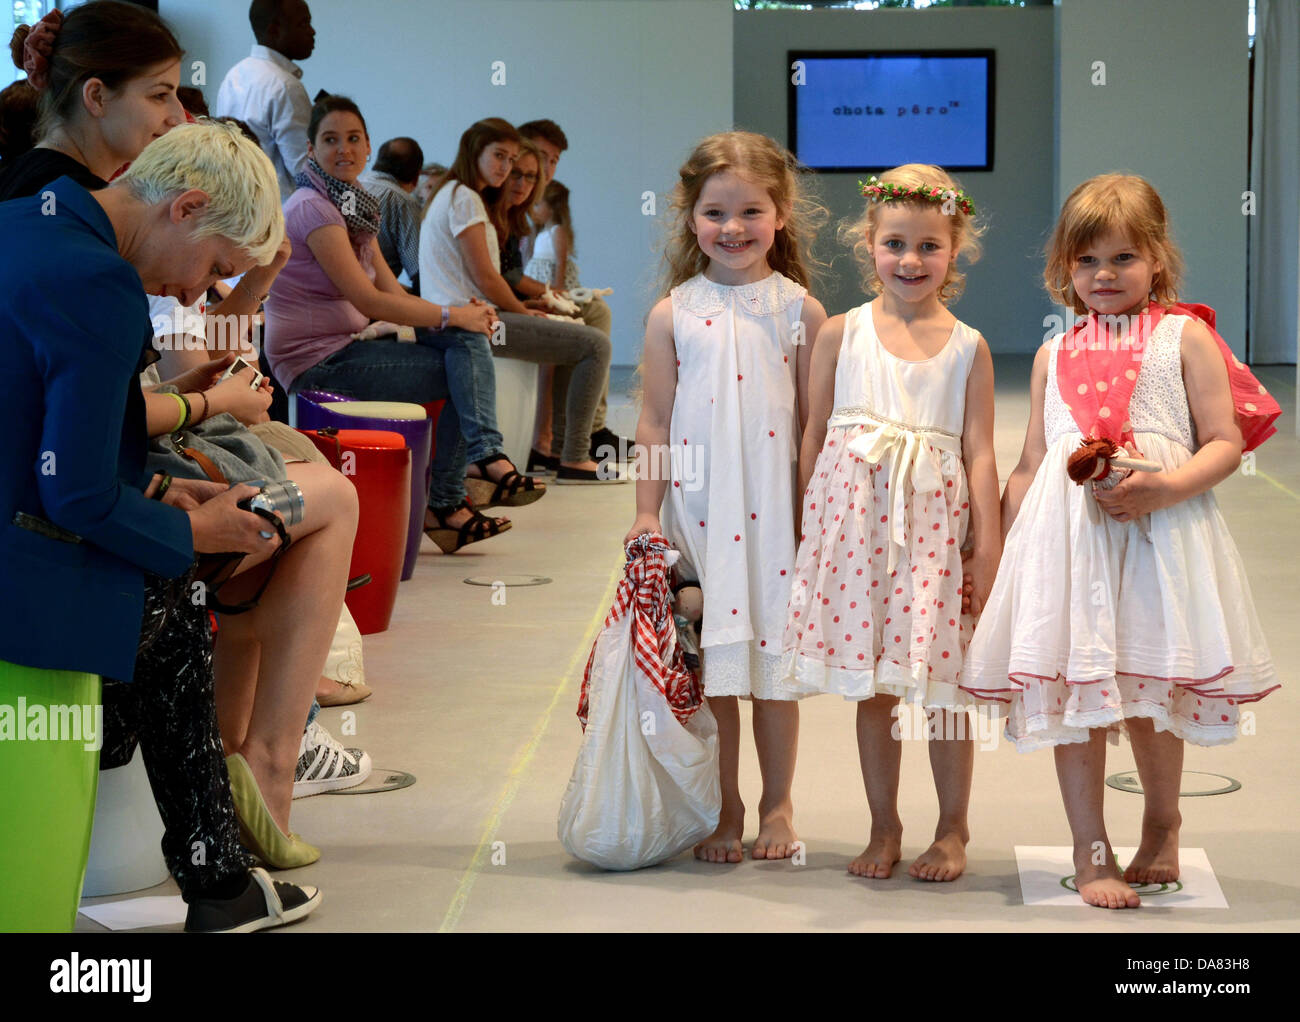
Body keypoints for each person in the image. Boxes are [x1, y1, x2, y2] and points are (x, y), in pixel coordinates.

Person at [0, 103, 319, 931]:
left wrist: (150, 493)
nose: (197, 291)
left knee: (167, 593)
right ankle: (214, 871)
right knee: (174, 597)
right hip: (20, 587)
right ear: (185, 206)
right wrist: (194, 532)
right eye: (214, 265)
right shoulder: (100, 283)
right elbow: (72, 494)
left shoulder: (24, 222)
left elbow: (31, 433)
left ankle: (216, 876)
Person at [963, 173, 1282, 908]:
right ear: (1065, 268)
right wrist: (998, 549)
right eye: (1087, 261)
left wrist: (1164, 490)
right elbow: (1032, 463)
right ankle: (1090, 848)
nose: (1103, 275)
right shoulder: (1053, 354)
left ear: (1157, 259)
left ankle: (1162, 824)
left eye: (1122, 258)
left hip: (1160, 539)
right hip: (1070, 550)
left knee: (1151, 684)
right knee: (1078, 691)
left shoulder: (1185, 337)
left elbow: (1224, 442)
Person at [781, 165, 1000, 883]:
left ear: (955, 250)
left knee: (944, 688)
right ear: (868, 245)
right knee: (874, 686)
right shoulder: (840, 334)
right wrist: (807, 530)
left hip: (935, 539)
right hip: (853, 536)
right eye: (895, 244)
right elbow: (813, 435)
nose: (910, 260)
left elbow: (981, 452)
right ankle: (884, 825)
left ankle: (952, 828)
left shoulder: (968, 346)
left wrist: (987, 549)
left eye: (929, 246)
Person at [625, 131, 828, 862]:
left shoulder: (801, 313)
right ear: (690, 217)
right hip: (701, 517)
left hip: (775, 521)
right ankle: (726, 806)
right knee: (712, 667)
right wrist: (646, 512)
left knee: (772, 674)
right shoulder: (672, 314)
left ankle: (778, 805)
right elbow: (654, 420)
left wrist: (811, 516)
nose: (732, 228)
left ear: (781, 215)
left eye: (750, 211)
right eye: (715, 212)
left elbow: (814, 426)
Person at [264, 95, 517, 552]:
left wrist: (458, 318)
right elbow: (369, 300)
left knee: (466, 345)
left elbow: (393, 293)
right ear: (311, 149)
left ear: (368, 146)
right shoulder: (314, 209)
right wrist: (452, 315)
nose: (344, 149)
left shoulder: (353, 206)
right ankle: (459, 487)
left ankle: (468, 475)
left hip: (345, 348)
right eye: (330, 140)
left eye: (353, 139)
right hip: (316, 363)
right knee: (463, 366)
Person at [420, 117, 615, 485]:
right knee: (594, 344)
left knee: (583, 332)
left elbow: (487, 277)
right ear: (474, 151)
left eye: (511, 161)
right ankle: (573, 455)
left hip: (469, 319)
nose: (507, 170)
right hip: (476, 325)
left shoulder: (458, 195)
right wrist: (523, 309)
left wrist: (527, 307)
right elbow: (487, 277)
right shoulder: (465, 198)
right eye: (500, 157)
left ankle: (561, 448)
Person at [517, 118, 628, 466]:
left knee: (595, 311)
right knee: (585, 332)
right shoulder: (510, 201)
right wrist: (543, 297)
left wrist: (551, 294)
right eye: (541, 157)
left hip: (522, 294)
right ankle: (561, 442)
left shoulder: (538, 214)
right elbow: (499, 275)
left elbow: (525, 271)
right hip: (503, 302)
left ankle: (582, 433)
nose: (547, 168)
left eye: (553, 161)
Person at [215, 0, 315, 201]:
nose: (312, 31)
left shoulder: (233, 75)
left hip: (236, 204)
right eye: (303, 23)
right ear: (274, 30)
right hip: (280, 211)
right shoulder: (286, 86)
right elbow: (304, 171)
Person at [359, 135, 424, 291]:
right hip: (372, 297)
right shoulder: (403, 202)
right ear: (416, 177)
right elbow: (420, 275)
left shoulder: (353, 185)